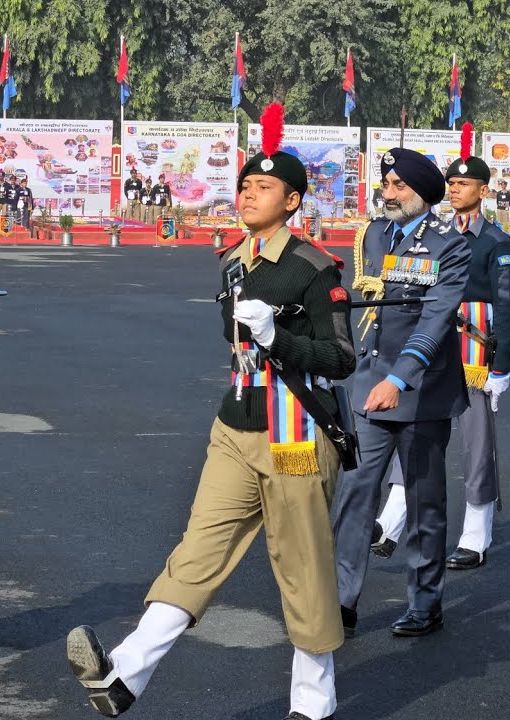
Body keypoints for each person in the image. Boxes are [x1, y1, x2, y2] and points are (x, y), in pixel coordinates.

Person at [65, 103, 354, 720]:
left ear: (294, 202)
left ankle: (314, 703)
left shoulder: (313, 267)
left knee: (302, 570)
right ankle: (123, 675)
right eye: (245, 185)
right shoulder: (231, 262)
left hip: (296, 433)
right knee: (197, 551)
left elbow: (341, 358)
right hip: (235, 427)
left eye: (265, 187)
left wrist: (280, 338)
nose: (249, 194)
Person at [330, 147, 470, 639]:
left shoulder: (449, 245)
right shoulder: (372, 233)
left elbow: (435, 320)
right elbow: (368, 305)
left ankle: (424, 601)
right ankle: (341, 602)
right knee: (353, 496)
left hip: (421, 391)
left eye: (397, 187)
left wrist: (401, 378)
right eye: (384, 185)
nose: (386, 194)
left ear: (422, 194)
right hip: (371, 385)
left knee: (424, 501)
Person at [370, 125, 510, 570]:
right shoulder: (428, 233)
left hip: (474, 349)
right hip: (433, 343)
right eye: (451, 183)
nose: (454, 190)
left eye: (464, 183)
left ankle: (476, 535)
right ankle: (390, 522)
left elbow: (507, 307)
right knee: (412, 428)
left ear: (483, 190)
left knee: (476, 446)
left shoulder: (496, 243)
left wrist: (501, 367)